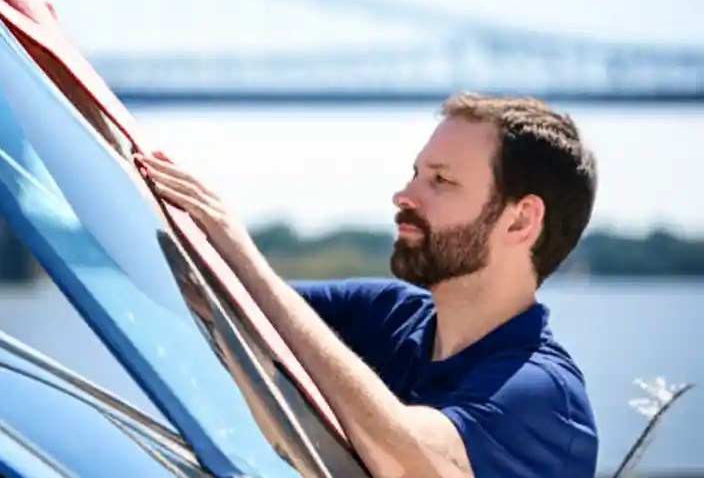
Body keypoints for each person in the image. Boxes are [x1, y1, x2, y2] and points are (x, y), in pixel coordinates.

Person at [136, 92, 599, 477]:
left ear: (520, 221)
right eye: (416, 174)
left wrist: (245, 256)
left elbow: (407, 460)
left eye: (441, 180)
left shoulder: (545, 396)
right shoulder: (387, 313)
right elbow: (209, 296)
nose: (405, 195)